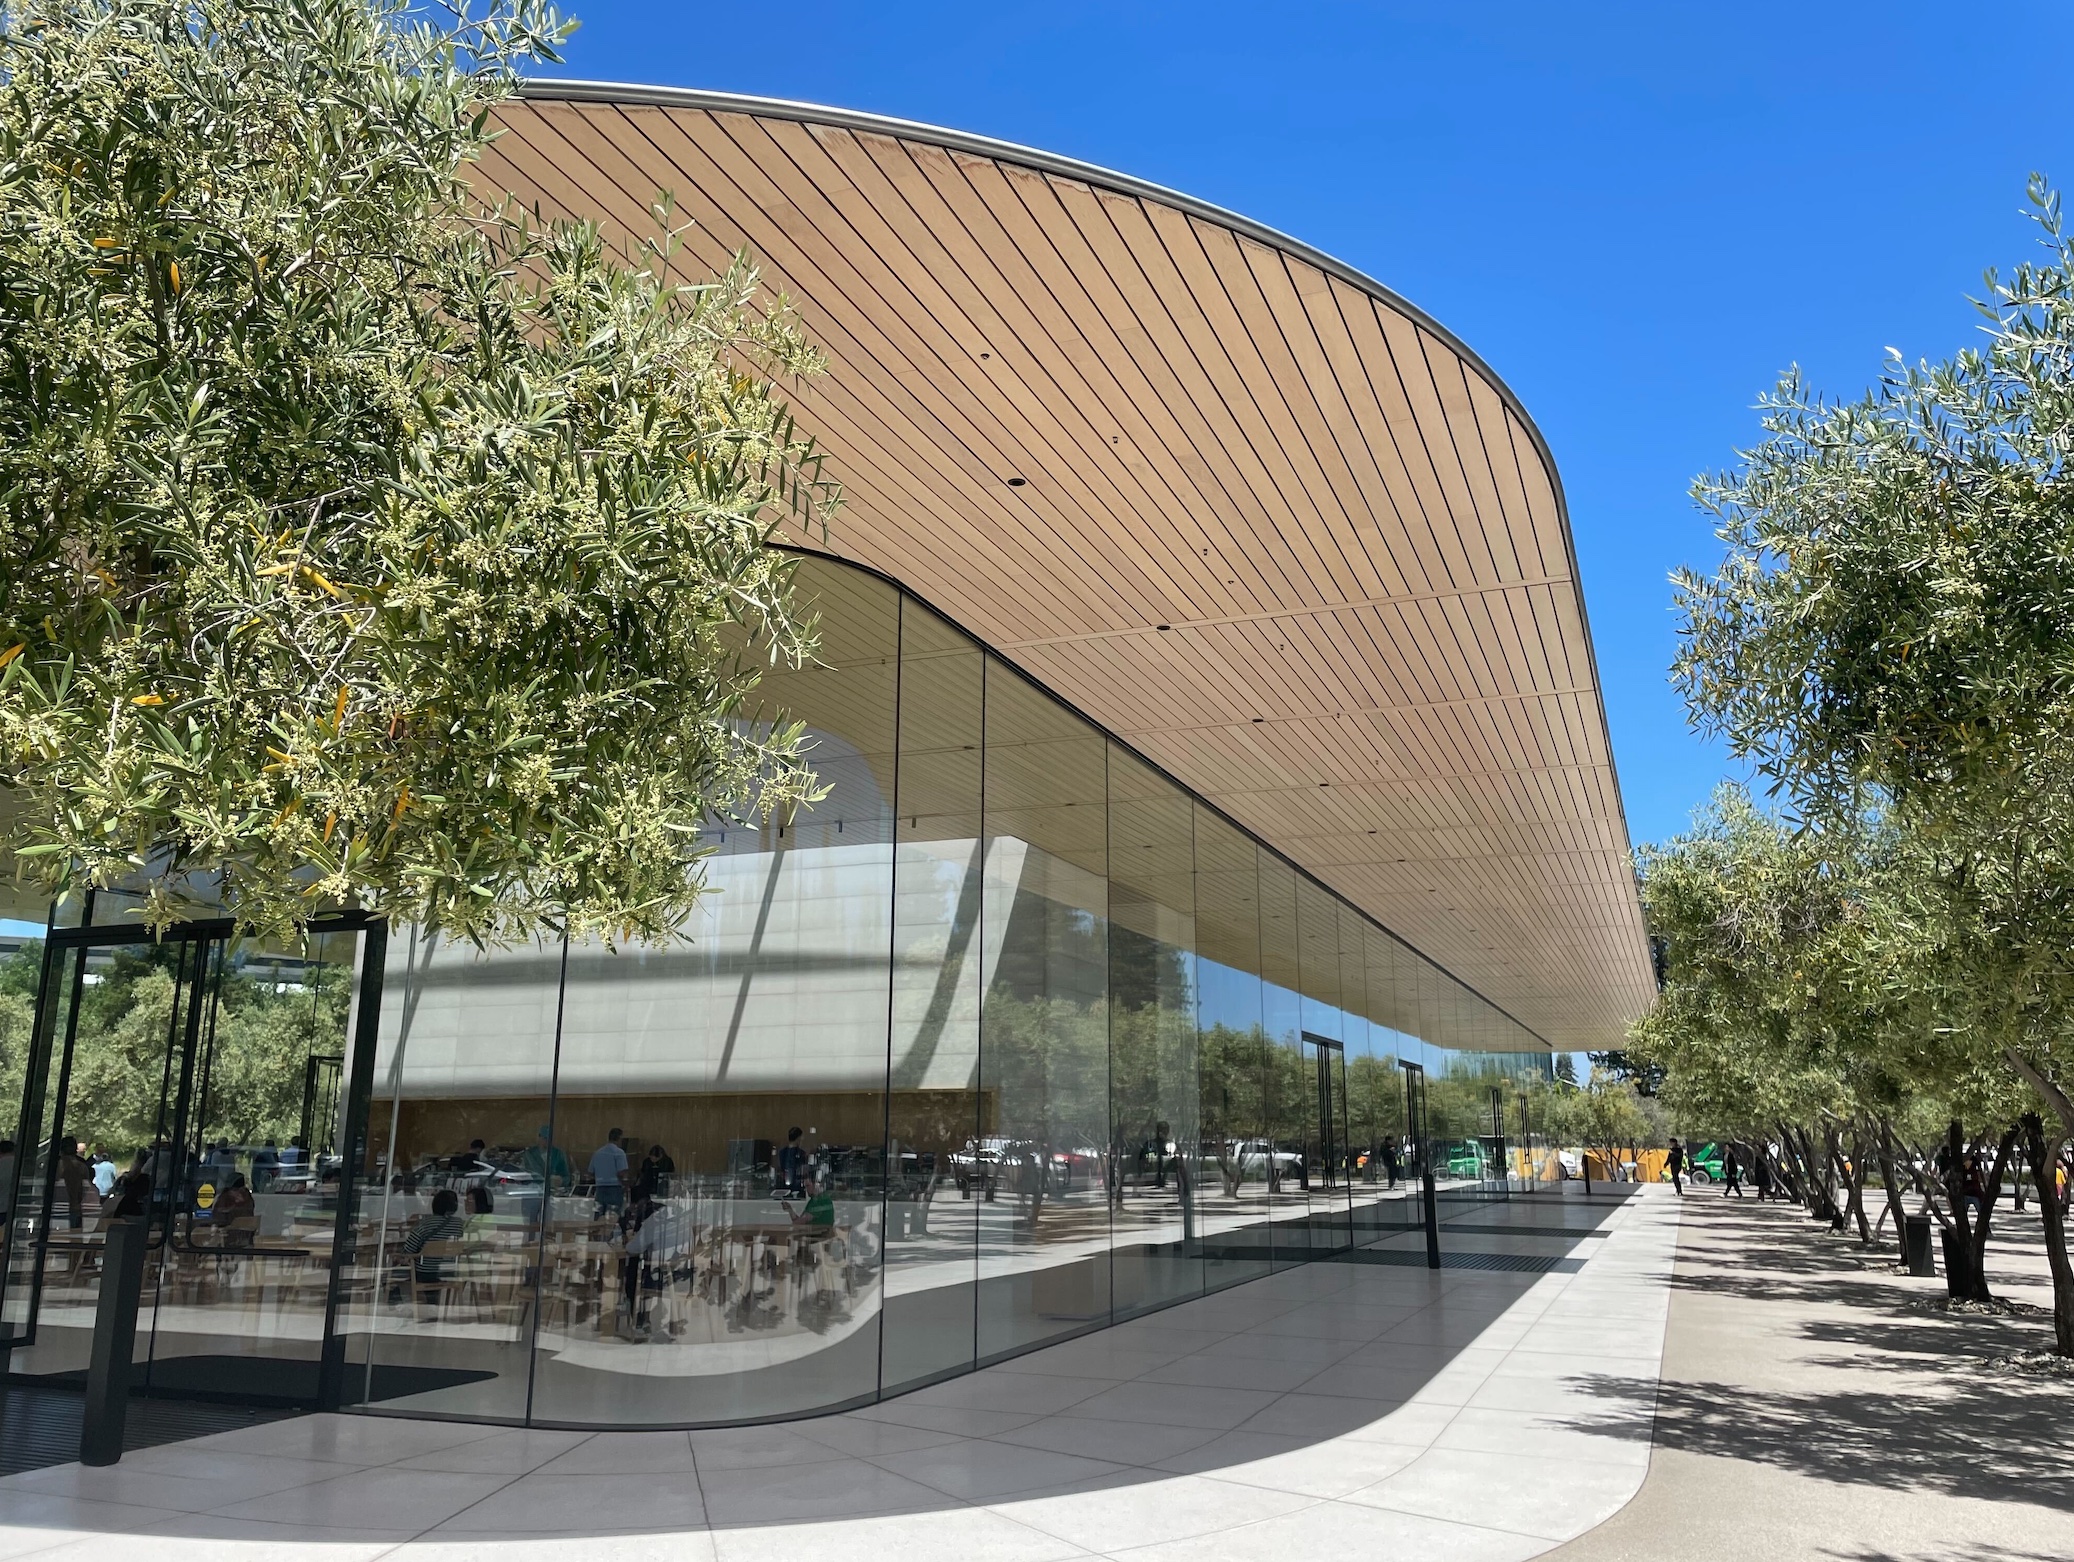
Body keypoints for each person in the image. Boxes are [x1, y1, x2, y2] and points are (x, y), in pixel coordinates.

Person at [401, 1187, 467, 1294]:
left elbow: (409, 1249)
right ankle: (431, 1301)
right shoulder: (458, 1224)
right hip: (447, 1271)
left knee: (393, 1276)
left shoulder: (426, 1223)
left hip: (424, 1272)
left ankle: (395, 1301)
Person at [55, 1136, 91, 1230]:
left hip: (58, 1206)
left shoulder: (57, 1164)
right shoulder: (82, 1165)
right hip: (77, 1207)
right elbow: (87, 1186)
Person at [589, 1128, 629, 1214]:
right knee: (613, 1217)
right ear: (619, 1138)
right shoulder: (619, 1153)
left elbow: (591, 1172)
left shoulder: (597, 1153)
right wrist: (626, 1186)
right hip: (614, 1189)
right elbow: (621, 1173)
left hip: (599, 1189)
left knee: (599, 1218)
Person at [776, 1126, 807, 1195]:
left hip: (784, 1185)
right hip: (796, 1186)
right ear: (798, 1138)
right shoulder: (801, 1153)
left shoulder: (782, 1152)